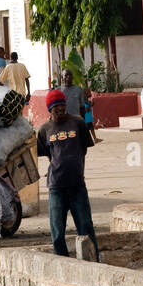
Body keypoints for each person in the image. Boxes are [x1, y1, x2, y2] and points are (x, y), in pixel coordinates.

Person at [37, 88, 99, 261]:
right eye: (56, 107)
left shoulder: (77, 123)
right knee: (57, 231)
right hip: (56, 186)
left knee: (86, 227)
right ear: (49, 109)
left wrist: (78, 169)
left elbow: (84, 149)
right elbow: (50, 155)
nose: (61, 110)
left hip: (77, 184)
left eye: (63, 106)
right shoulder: (44, 130)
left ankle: (94, 262)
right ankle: (62, 263)